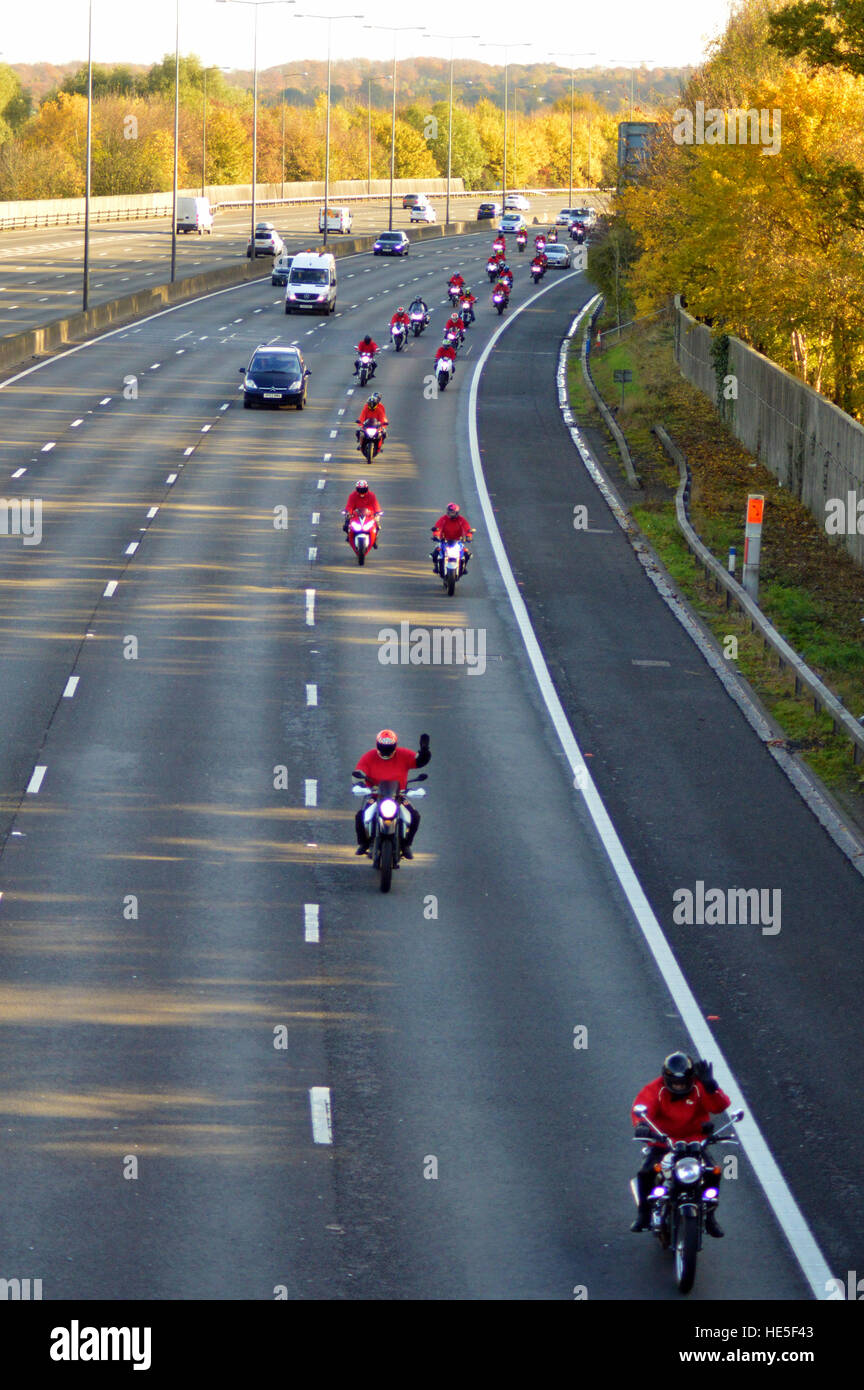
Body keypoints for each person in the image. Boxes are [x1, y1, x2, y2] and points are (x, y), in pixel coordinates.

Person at [630, 1052, 732, 1237]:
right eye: (676, 1083)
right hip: (664, 1142)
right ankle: (643, 1214)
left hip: (695, 1143)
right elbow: (641, 1108)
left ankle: (710, 1216)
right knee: (646, 1173)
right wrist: (642, 1126)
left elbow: (719, 1106)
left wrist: (712, 1087)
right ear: (667, 1078)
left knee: (713, 1171)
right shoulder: (655, 1089)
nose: (679, 1086)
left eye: (684, 1083)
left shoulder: (700, 1087)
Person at [354, 729, 431, 858]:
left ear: (395, 746)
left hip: (398, 796)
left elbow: (419, 761)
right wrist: (359, 785)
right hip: (375, 795)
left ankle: (406, 844)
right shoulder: (369, 756)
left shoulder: (403, 754)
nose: (386, 750)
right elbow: (358, 773)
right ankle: (364, 843)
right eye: (383, 747)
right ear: (378, 745)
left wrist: (425, 751)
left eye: (389, 747)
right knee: (360, 816)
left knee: (415, 816)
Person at [431, 502, 474, 574]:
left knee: (467, 554)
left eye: (452, 512)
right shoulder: (443, 519)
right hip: (444, 541)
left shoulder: (461, 520)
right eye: (449, 512)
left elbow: (467, 528)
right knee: (434, 554)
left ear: (456, 512)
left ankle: (463, 568)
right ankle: (436, 567)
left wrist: (469, 536)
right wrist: (436, 535)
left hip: (458, 542)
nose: (450, 514)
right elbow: (438, 527)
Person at [342, 479, 381, 545]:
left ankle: (374, 539)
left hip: (369, 515)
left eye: (363, 489)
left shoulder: (372, 495)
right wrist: (348, 512)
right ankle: (349, 536)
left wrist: (377, 512)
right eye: (360, 489)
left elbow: (376, 505)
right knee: (346, 526)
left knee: (377, 526)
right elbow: (349, 506)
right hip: (355, 515)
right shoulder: (352, 496)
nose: (362, 492)